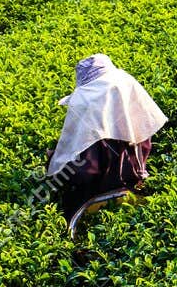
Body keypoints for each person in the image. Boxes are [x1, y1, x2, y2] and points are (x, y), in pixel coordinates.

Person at [45, 54, 167, 223]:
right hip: (135, 181)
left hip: (99, 197)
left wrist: (55, 162)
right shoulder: (130, 110)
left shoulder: (93, 135)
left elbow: (85, 174)